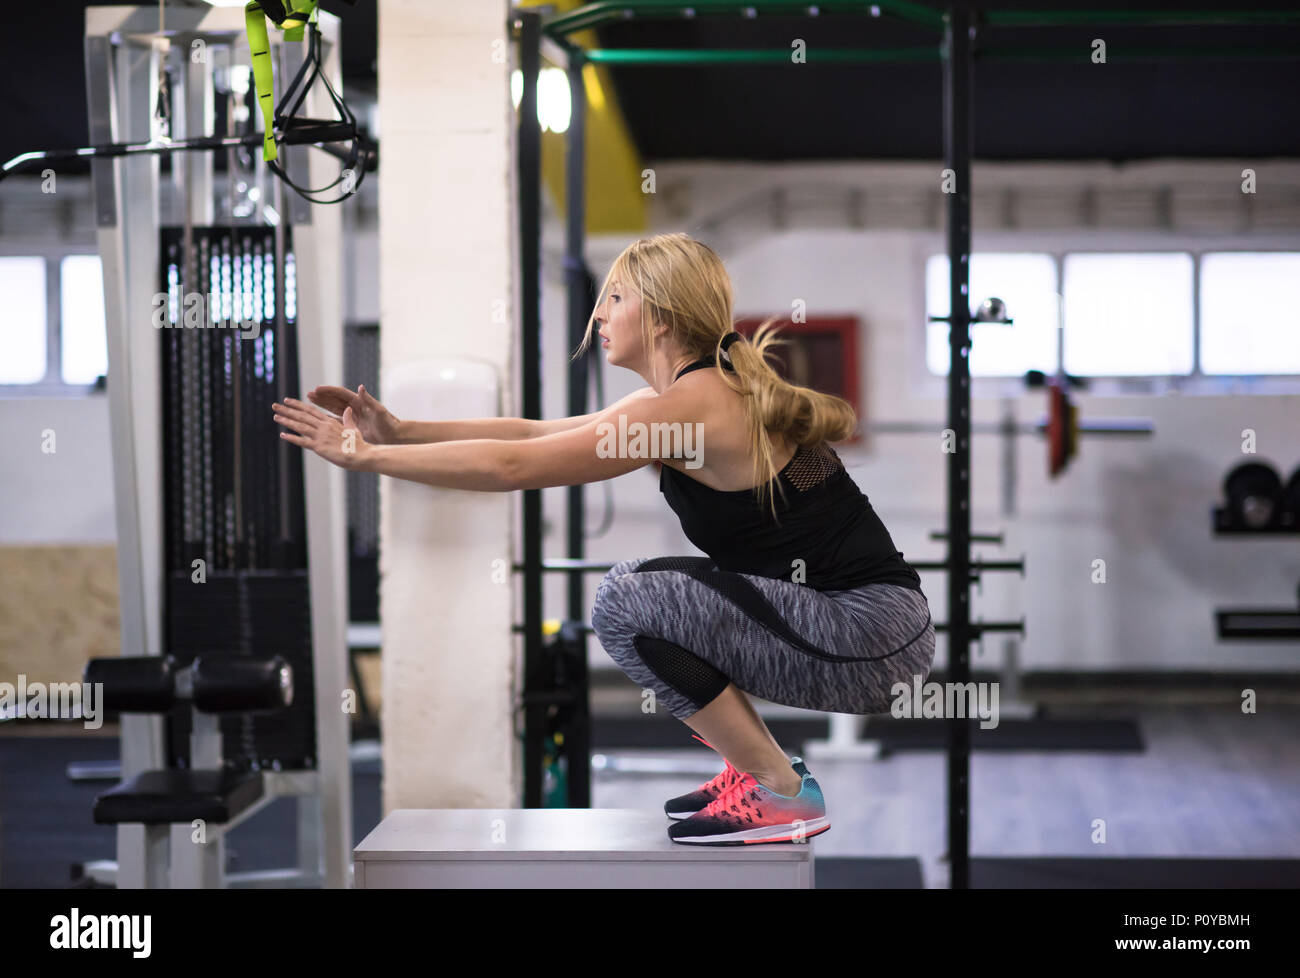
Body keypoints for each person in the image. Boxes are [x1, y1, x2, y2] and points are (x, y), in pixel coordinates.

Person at [272, 231, 935, 846]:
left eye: (614, 299)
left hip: (867, 636)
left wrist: (364, 458)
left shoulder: (688, 409)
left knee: (627, 600)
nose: (598, 316)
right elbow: (535, 436)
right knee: (639, 599)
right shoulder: (688, 396)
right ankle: (760, 771)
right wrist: (404, 432)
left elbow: (514, 468)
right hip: (863, 632)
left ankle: (783, 790)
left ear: (662, 317)